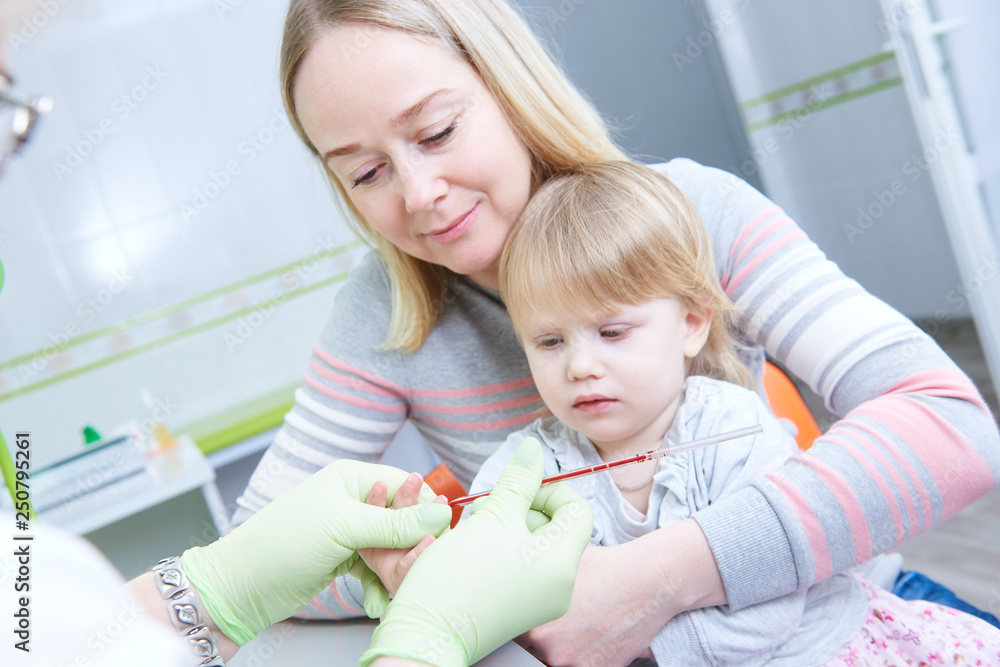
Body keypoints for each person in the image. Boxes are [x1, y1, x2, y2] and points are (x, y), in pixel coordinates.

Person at [232, 1, 1000, 664]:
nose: (419, 194)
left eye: (435, 132)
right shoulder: (386, 309)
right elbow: (254, 555)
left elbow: (951, 426)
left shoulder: (691, 211)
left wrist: (652, 582)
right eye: (365, 173)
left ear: (509, 86)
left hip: (845, 625)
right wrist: (414, 570)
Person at [465, 160, 1000, 664]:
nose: (580, 365)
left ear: (693, 324)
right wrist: (425, 558)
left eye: (612, 332)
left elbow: (767, 616)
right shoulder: (529, 460)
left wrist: (636, 641)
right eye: (549, 341)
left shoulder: (731, 426)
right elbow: (480, 554)